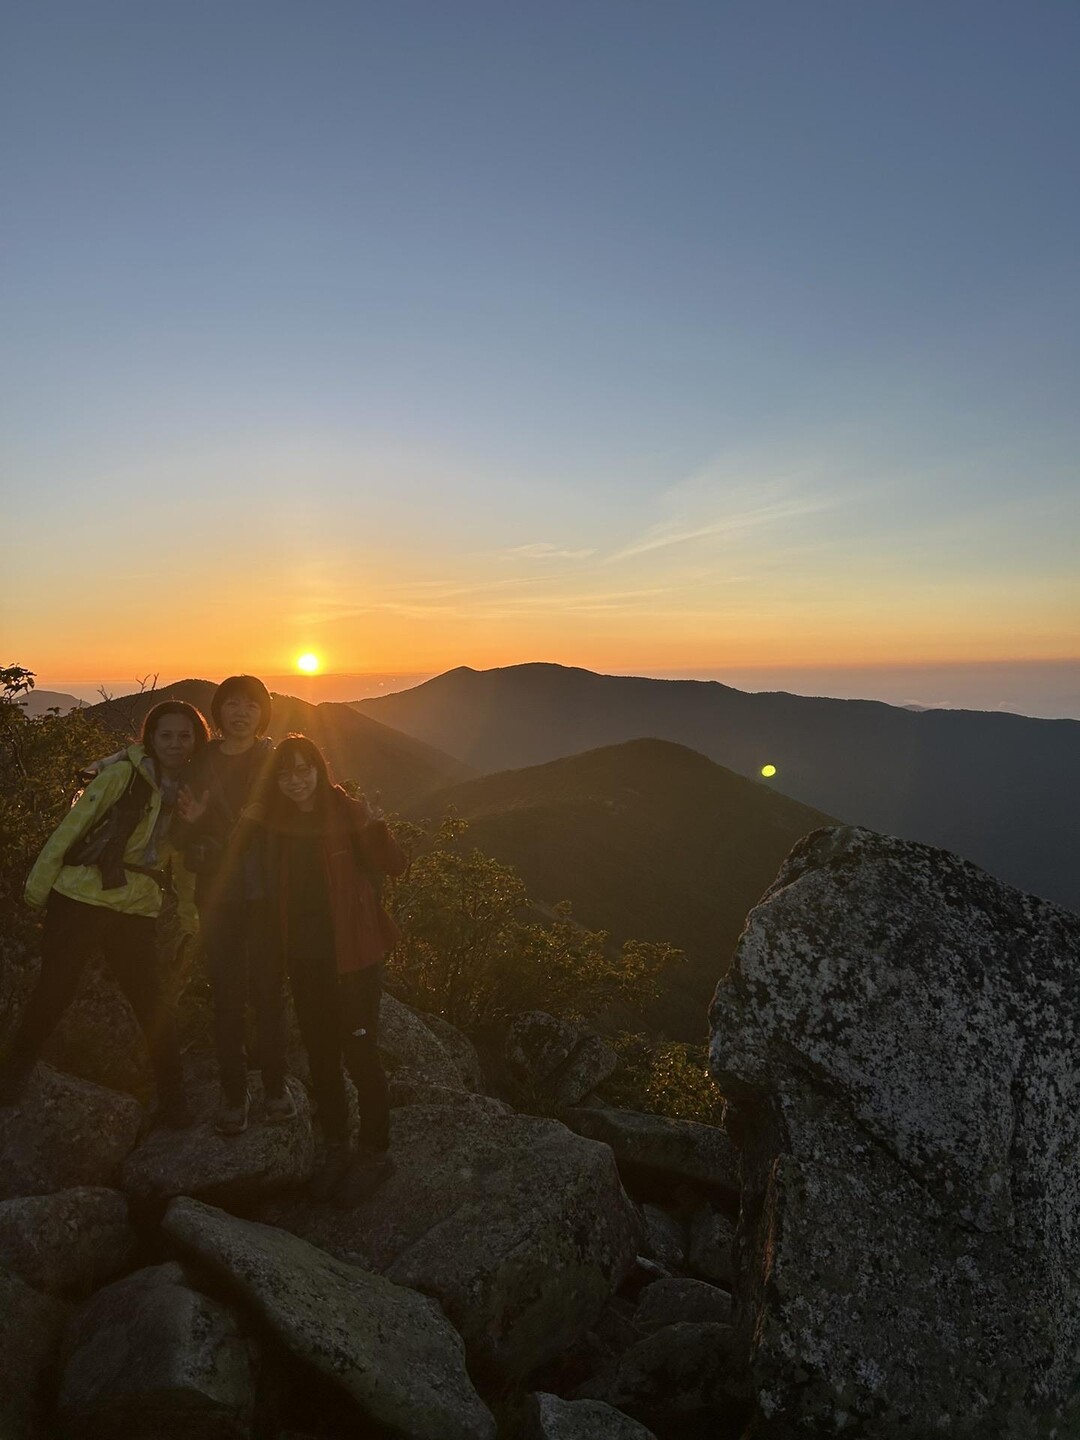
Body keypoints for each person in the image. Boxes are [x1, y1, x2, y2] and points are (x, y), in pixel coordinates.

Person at [0, 701, 208, 1124]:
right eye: (165, 735)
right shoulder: (122, 775)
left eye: (184, 735)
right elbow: (71, 830)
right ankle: (15, 1073)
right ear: (150, 738)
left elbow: (185, 863)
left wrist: (190, 914)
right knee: (54, 989)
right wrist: (37, 889)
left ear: (197, 740)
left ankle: (173, 1097)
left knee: (151, 1001)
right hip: (80, 898)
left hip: (136, 907)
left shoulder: (191, 792)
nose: (174, 743)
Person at [263, 734, 406, 1201]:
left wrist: (377, 829)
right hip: (305, 959)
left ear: (320, 771)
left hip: (354, 958)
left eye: (304, 770)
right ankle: (335, 1145)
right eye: (285, 773)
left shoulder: (347, 812)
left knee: (361, 1056)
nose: (295, 780)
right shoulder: (277, 824)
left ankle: (375, 1151)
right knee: (321, 1056)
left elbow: (395, 865)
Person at [173, 674, 291, 1135]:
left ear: (263, 714)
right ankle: (233, 1093)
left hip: (266, 891)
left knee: (269, 991)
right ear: (219, 712)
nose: (241, 713)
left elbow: (303, 810)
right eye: (232, 704)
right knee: (227, 995)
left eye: (251, 705)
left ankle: (276, 1087)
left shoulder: (275, 759)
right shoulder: (200, 762)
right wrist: (196, 821)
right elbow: (180, 835)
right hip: (218, 892)